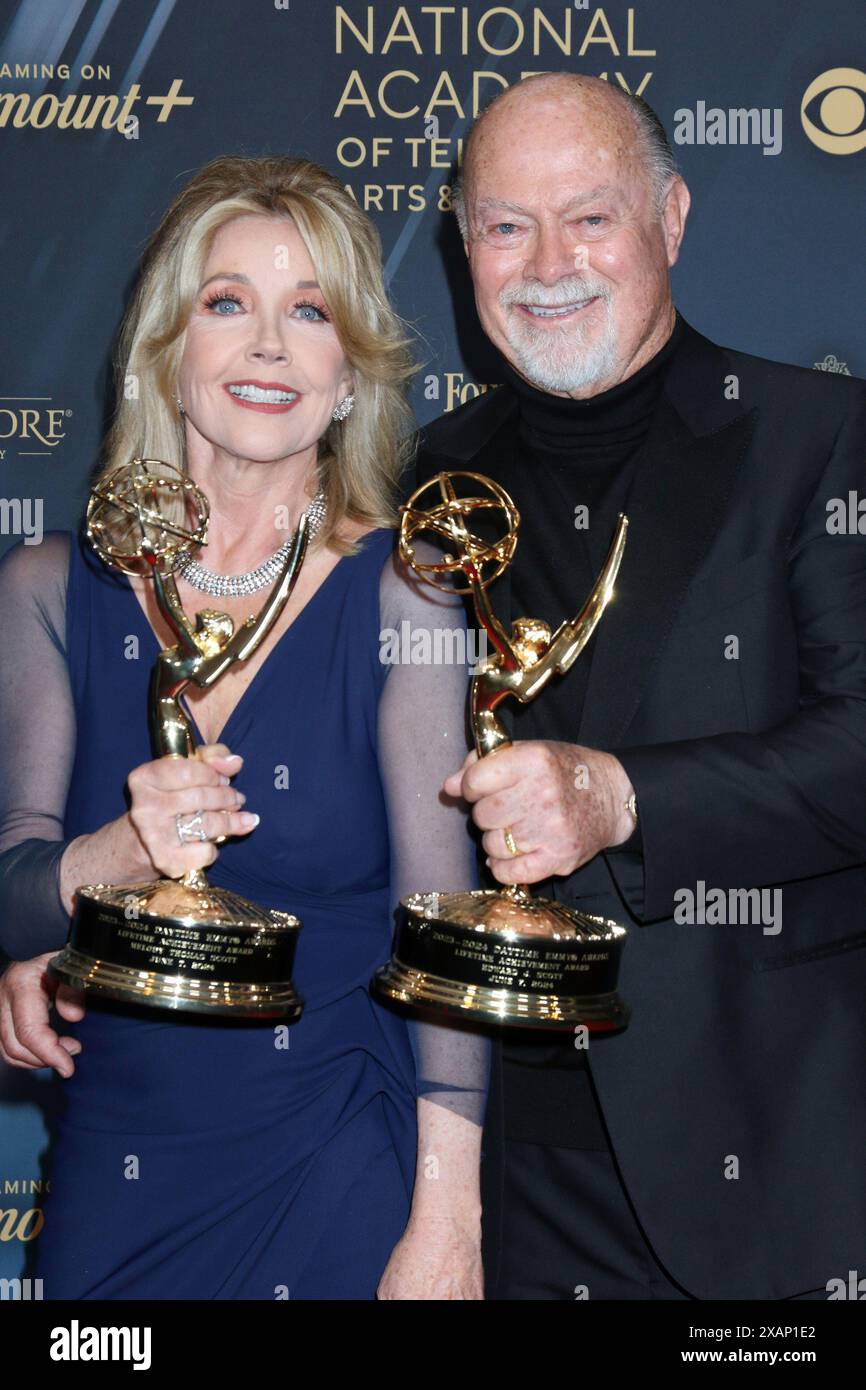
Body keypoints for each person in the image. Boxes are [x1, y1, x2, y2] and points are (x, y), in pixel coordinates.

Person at [0, 154, 488, 1300]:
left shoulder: (404, 592)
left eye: (308, 312)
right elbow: (13, 883)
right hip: (118, 1164)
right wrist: (109, 858)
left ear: (348, 375)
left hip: (336, 1153)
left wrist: (446, 1220)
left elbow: (441, 929)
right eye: (228, 303)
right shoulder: (47, 590)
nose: (269, 344)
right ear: (167, 355)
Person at [411, 73, 866, 1300]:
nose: (547, 262)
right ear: (463, 248)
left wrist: (624, 797)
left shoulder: (816, 435)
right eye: (505, 225)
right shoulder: (427, 476)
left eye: (589, 216)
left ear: (668, 218)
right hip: (498, 1168)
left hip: (759, 1173)